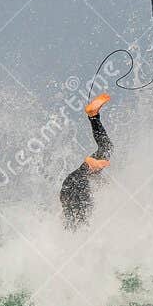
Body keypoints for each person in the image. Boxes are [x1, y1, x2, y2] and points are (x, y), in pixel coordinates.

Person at [60, 92, 114, 228]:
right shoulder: (92, 186)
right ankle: (90, 164)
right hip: (75, 185)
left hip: (69, 185)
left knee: (107, 148)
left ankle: (94, 116)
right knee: (81, 224)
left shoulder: (93, 184)